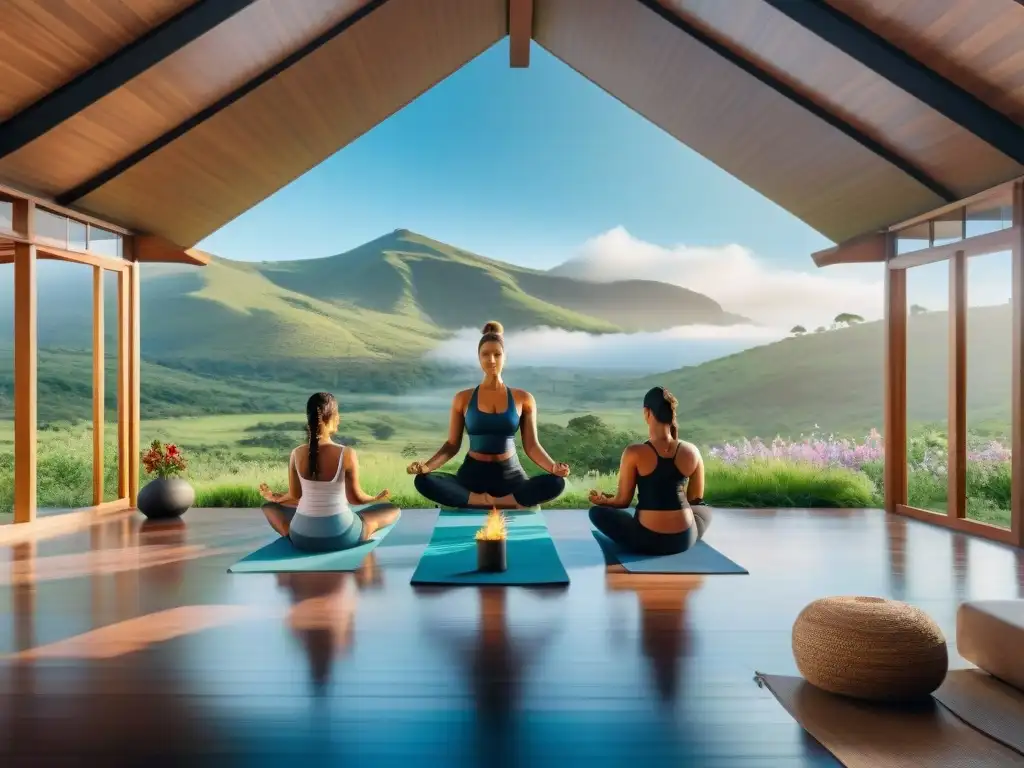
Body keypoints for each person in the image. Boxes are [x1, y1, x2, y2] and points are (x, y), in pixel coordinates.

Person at [407, 321, 569, 509]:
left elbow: (531, 446)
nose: (491, 360)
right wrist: (426, 467)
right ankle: (498, 502)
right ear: (479, 358)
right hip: (471, 477)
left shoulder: (523, 398)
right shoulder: (463, 398)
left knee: (557, 483)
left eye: (497, 354)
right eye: (485, 354)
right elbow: (452, 445)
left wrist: (553, 468)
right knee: (422, 481)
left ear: (504, 357)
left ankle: (479, 501)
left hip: (511, 477)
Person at [259, 392, 401, 551]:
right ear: (331, 416)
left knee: (269, 507)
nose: (339, 419)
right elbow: (355, 499)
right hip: (340, 536)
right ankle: (365, 533)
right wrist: (375, 498)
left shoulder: (296, 453)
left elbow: (294, 497)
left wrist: (275, 498)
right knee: (391, 510)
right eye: (337, 414)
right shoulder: (347, 454)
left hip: (301, 538)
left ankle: (287, 532)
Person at [588, 386, 711, 555]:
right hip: (684, 540)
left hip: (647, 540)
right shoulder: (692, 451)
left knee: (597, 513)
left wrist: (603, 501)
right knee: (703, 509)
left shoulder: (634, 452)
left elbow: (622, 501)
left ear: (647, 412)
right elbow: (695, 500)